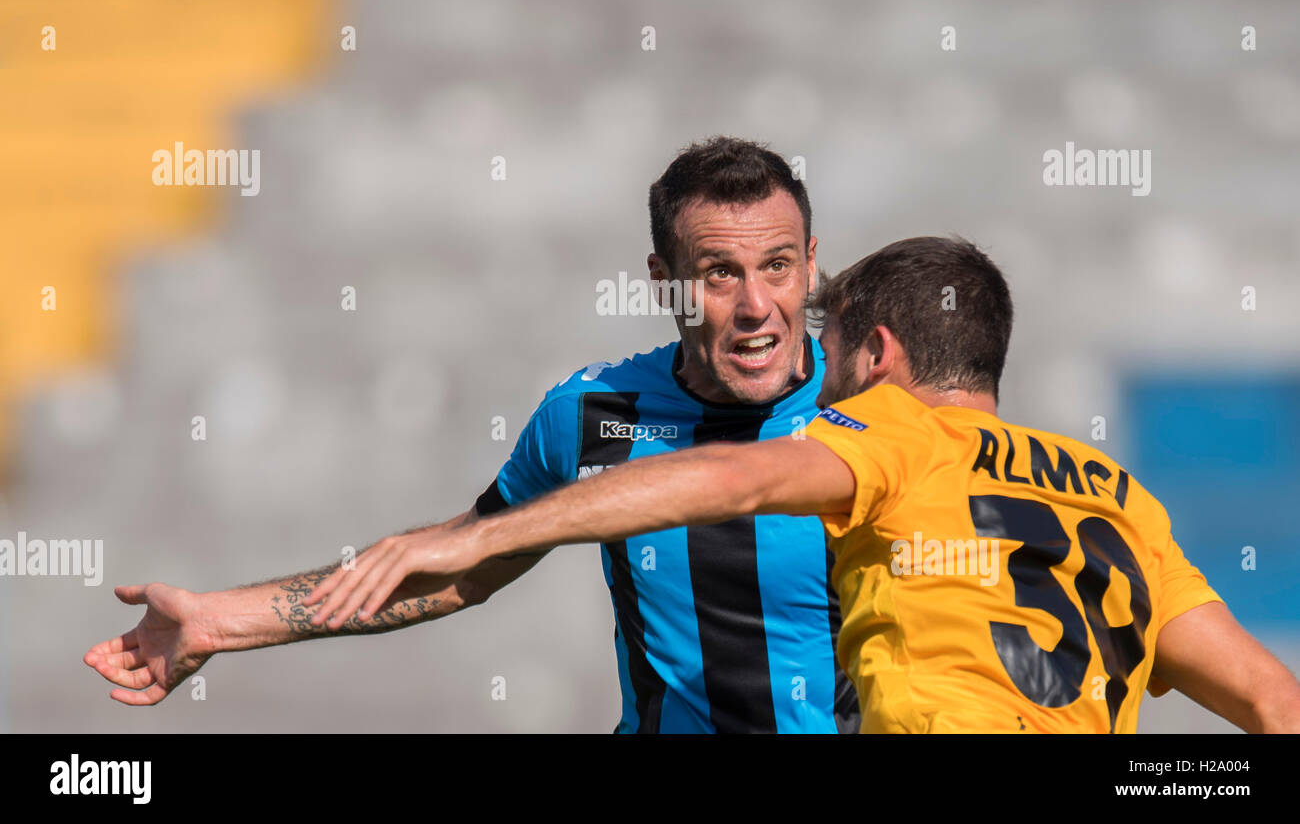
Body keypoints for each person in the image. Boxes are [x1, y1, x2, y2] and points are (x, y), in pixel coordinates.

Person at [305, 236, 1300, 733]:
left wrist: (486, 534)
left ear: (875, 353)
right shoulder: (1116, 493)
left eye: (830, 359)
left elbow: (735, 481)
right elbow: (1269, 693)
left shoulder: (893, 431)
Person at [84, 136, 860, 734]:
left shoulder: (878, 408)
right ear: (663, 279)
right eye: (720, 272)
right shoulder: (592, 415)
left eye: (780, 265)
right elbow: (466, 561)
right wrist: (222, 620)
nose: (758, 303)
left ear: (813, 265)